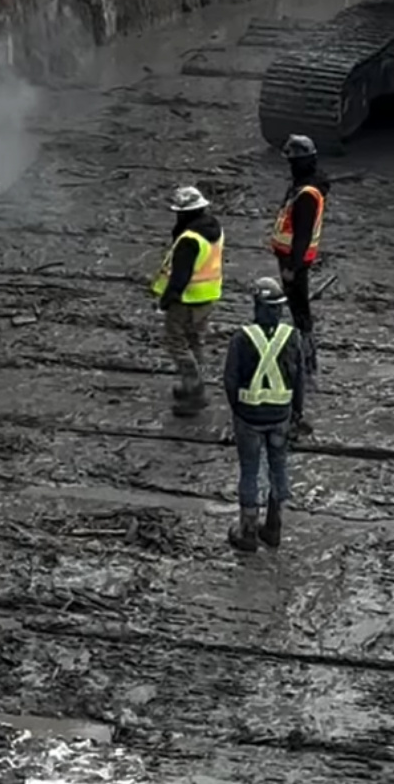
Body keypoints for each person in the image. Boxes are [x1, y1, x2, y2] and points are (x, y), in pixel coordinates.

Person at [222, 275, 305, 552]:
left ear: (257, 305)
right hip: (280, 416)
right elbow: (300, 379)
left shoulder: (241, 338)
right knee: (278, 468)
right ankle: (273, 528)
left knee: (249, 471)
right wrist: (297, 413)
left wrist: (238, 409)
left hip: (249, 417)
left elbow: (230, 379)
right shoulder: (292, 337)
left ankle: (247, 532)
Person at [151, 185, 223, 417]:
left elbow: (180, 276)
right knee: (195, 342)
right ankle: (195, 384)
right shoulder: (214, 229)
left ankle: (194, 390)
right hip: (207, 297)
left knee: (176, 343)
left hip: (186, 299)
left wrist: (166, 299)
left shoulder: (189, 240)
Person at [270, 134, 327, 379]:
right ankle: (306, 355)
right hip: (293, 256)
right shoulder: (305, 186)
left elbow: (302, 234)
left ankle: (307, 360)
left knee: (300, 309)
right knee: (299, 307)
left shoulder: (306, 194)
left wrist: (292, 266)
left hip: (295, 259)